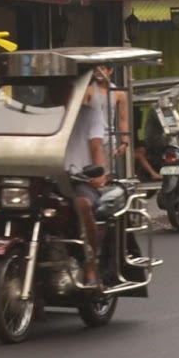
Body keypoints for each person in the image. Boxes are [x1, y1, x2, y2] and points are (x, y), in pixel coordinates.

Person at [64, 76, 108, 288]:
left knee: (82, 204)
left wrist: (98, 172)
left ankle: (91, 262)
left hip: (78, 178)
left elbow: (96, 145)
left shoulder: (91, 114)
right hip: (47, 179)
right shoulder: (41, 116)